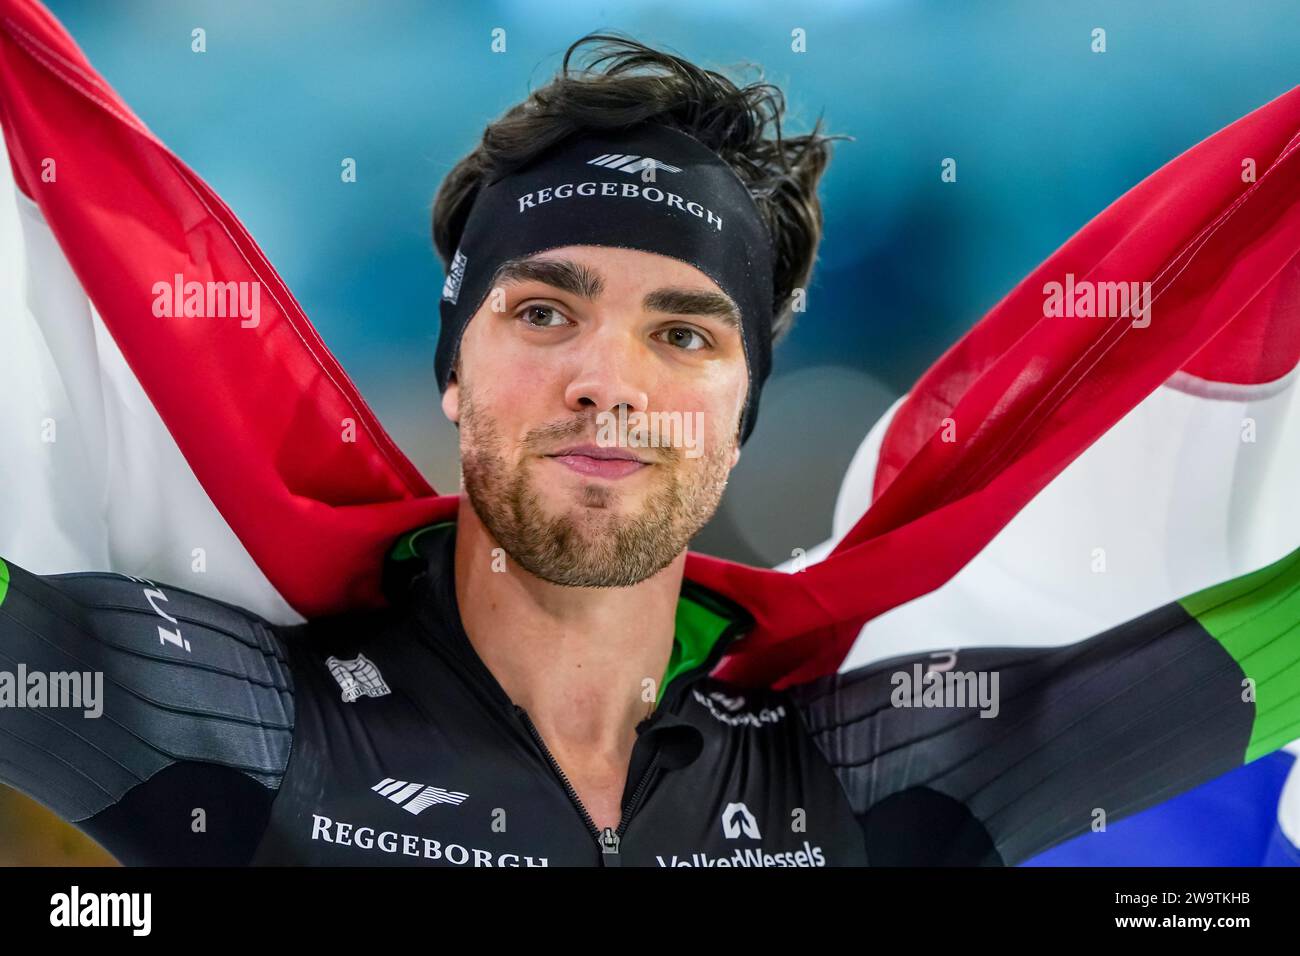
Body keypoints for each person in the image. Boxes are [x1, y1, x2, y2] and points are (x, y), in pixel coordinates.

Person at [0, 33, 1296, 867]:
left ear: (743, 415)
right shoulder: (232, 722)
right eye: (546, 312)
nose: (606, 384)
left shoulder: (873, 772)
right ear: (454, 371)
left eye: (682, 334)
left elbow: (1254, 649)